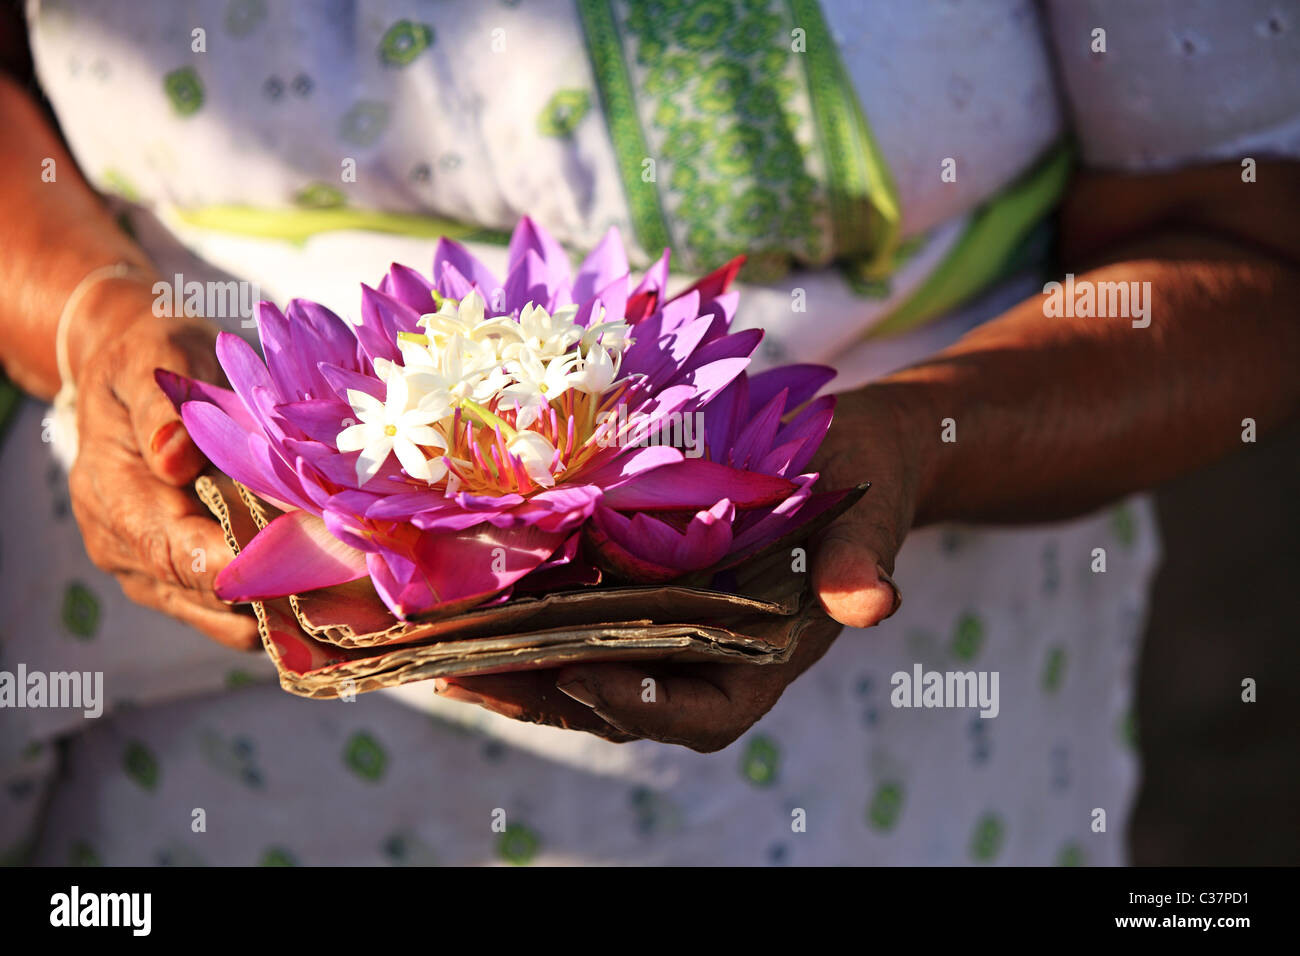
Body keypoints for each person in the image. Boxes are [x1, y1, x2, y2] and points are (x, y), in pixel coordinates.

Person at [0, 0, 1295, 866]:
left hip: (914, 727)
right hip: (224, 746)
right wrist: (89, 319)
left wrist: (922, 440)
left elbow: (1247, 229)